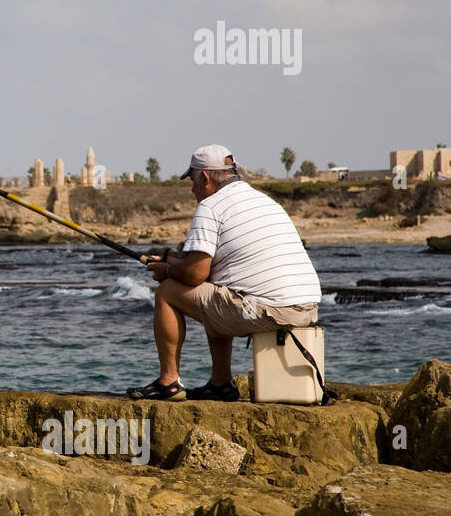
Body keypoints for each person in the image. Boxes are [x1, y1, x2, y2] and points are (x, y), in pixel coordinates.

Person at [127, 144, 321, 401]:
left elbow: (196, 274)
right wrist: (170, 261)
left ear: (205, 178)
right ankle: (220, 384)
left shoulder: (211, 206)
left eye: (193, 181)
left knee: (167, 292)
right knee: (217, 293)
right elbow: (209, 270)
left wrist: (168, 271)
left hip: (272, 310)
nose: (192, 189)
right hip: (307, 307)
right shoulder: (263, 200)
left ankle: (169, 381)